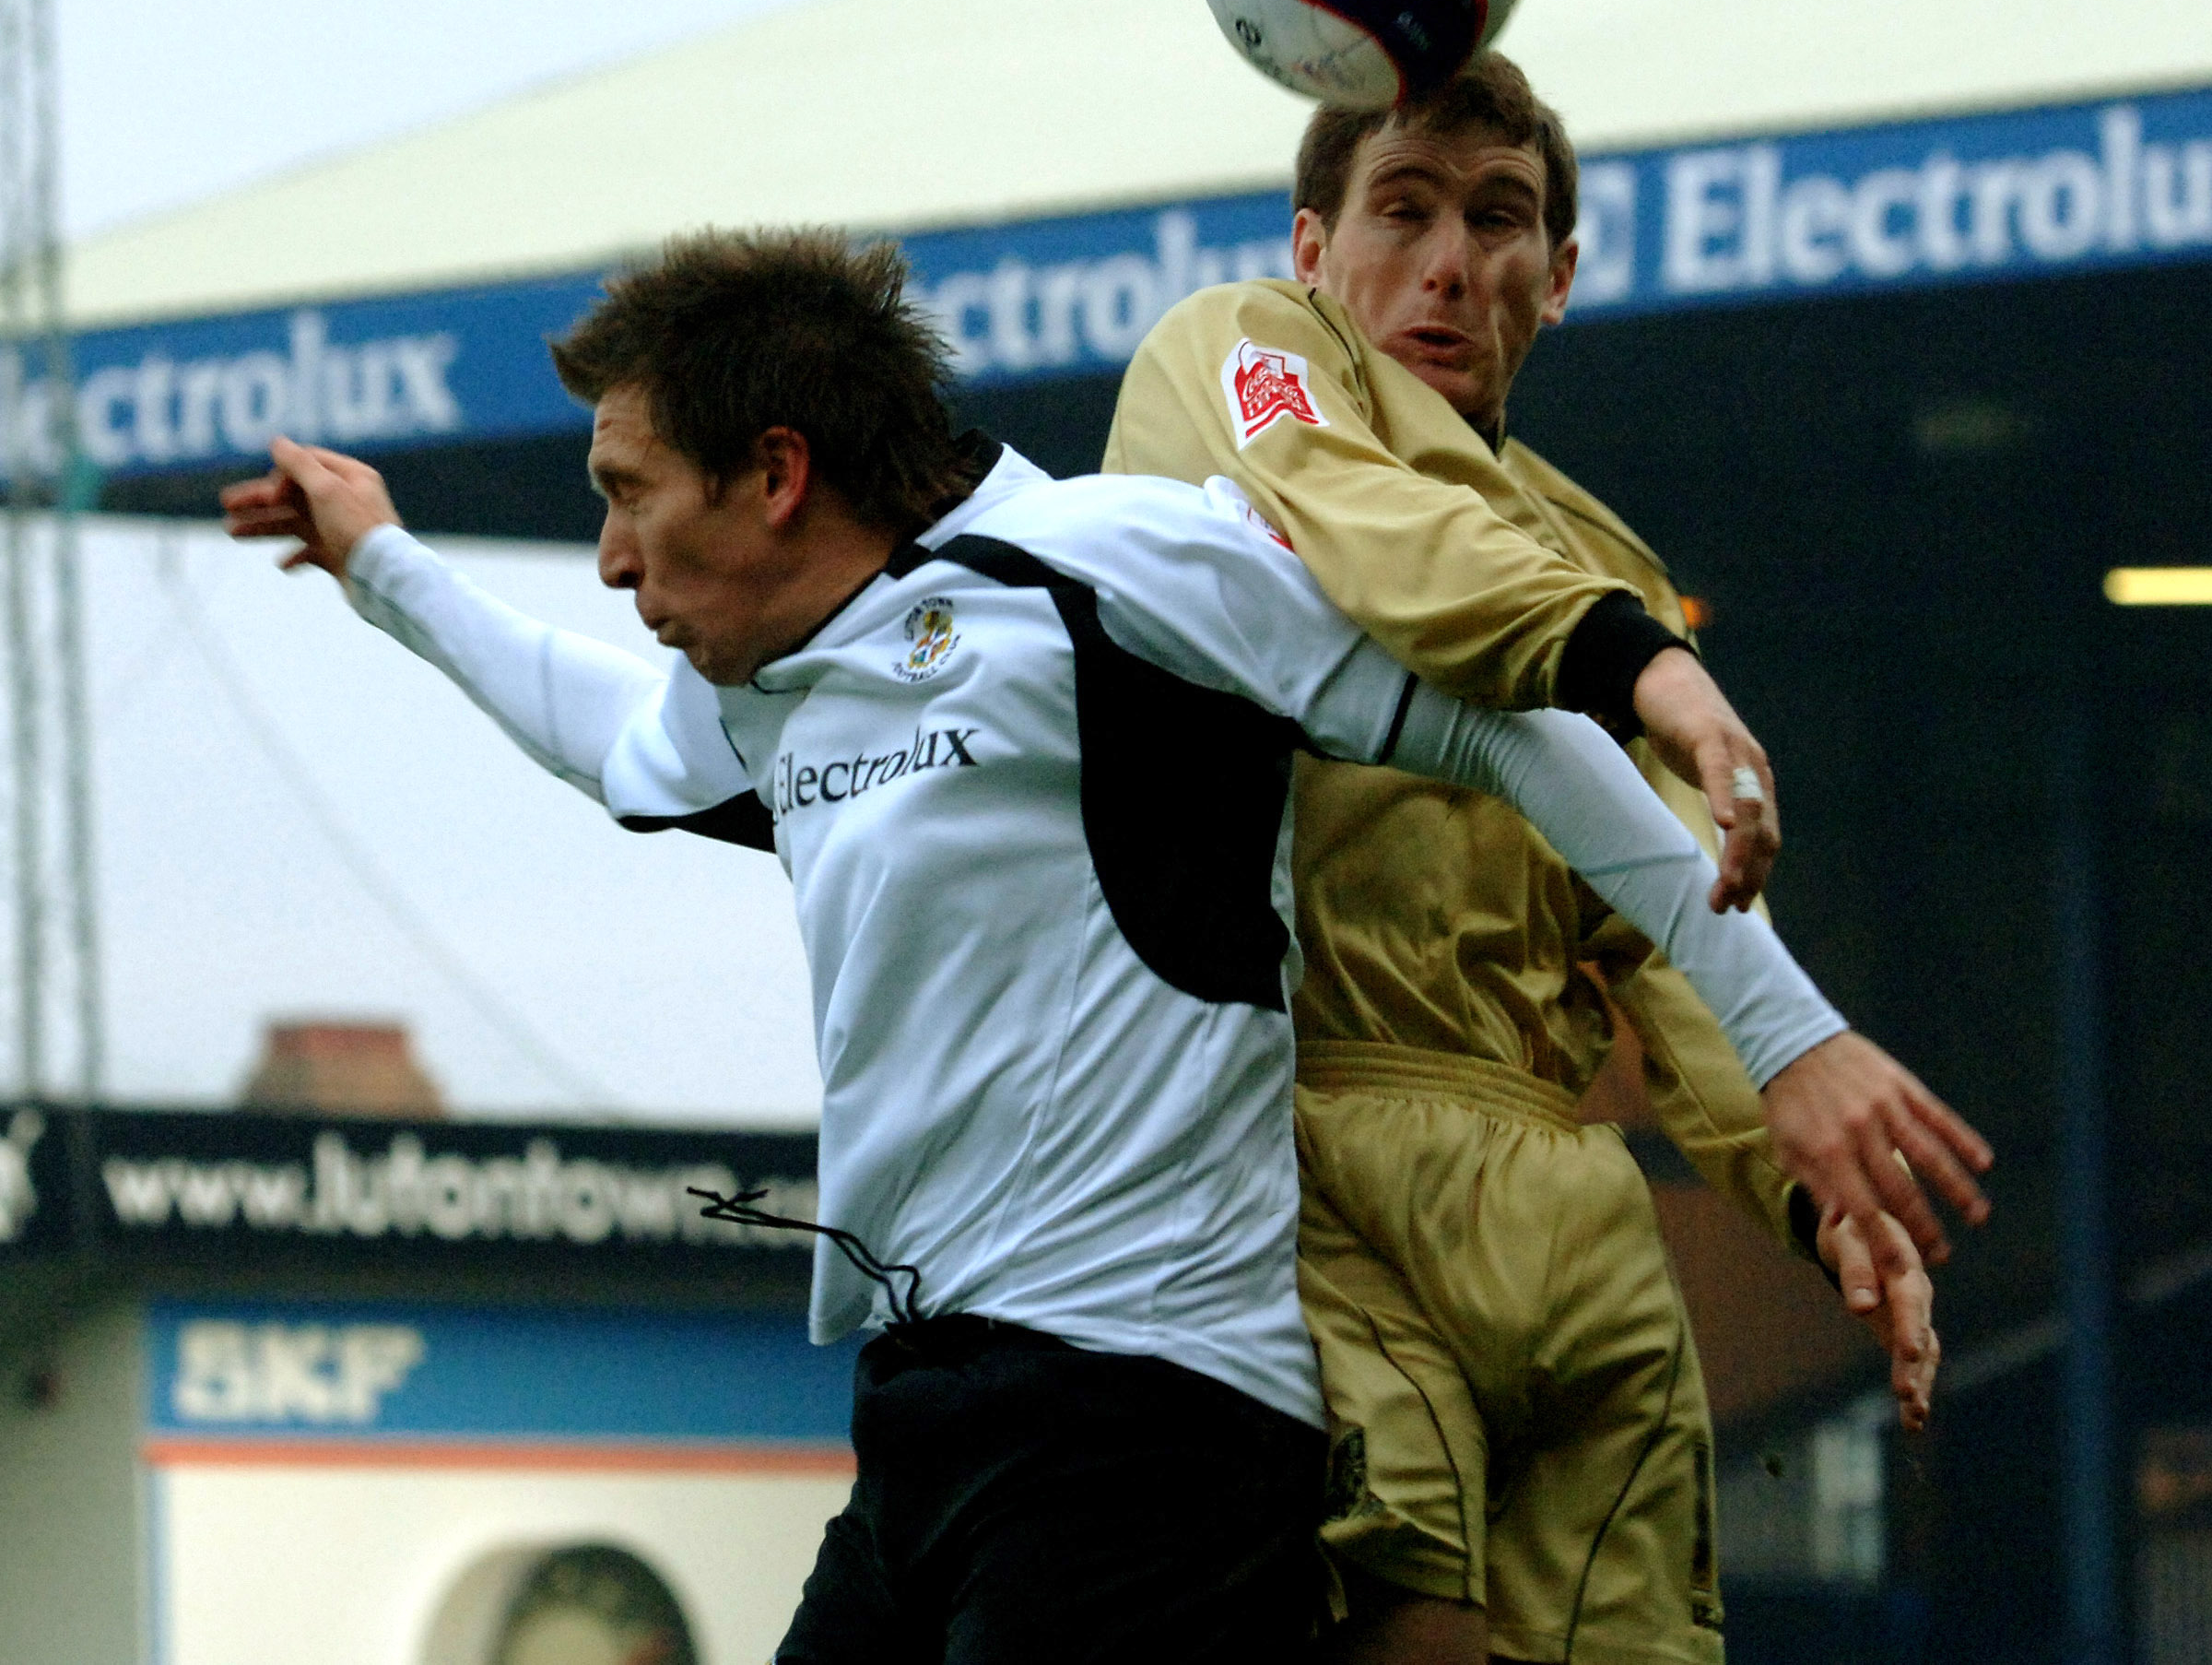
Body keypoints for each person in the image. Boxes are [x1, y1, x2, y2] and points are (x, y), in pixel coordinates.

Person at [224, 229, 1867, 1665]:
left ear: (777, 472)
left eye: (627, 494)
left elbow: (1512, 728)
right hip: (924, 1420)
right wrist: (381, 562)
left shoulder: (1110, 565)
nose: (610, 557)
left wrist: (1787, 1033)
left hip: (1145, 1415)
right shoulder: (783, 687)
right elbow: (599, 730)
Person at [1103, 54, 1989, 1663]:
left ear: (1560, 275)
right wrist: (1644, 665)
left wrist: (1820, 1197)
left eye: (1497, 219)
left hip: (1570, 1209)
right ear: (1311, 247)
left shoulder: (1603, 562)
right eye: (1403, 209)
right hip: (1302, 1164)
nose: (1449, 263)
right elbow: (1386, 531)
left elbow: (1676, 926)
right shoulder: (1240, 363)